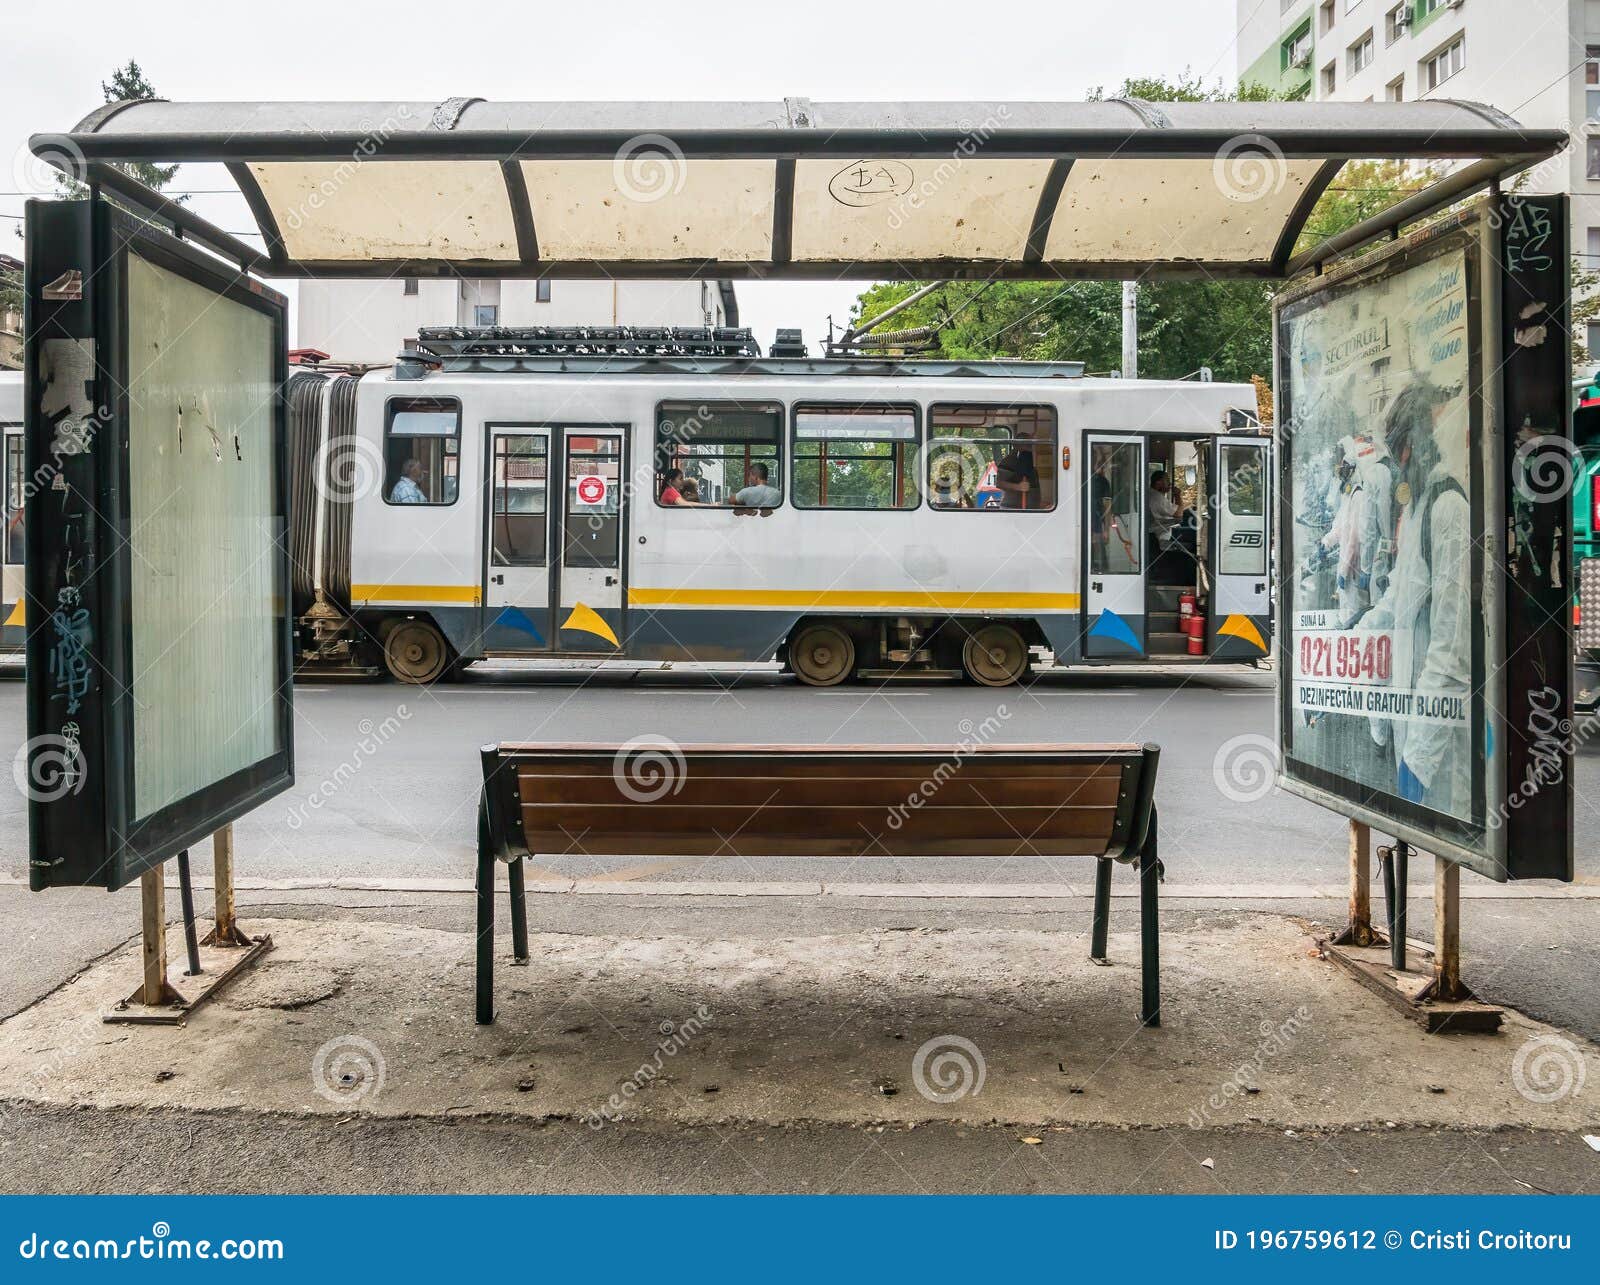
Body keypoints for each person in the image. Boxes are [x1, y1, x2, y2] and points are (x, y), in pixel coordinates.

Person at [1363, 378, 1471, 817]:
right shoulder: (1419, 505)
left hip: (1437, 754)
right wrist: (1349, 639)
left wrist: (1419, 760)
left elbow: (1452, 646)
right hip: (1409, 725)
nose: (1398, 460)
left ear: (1419, 443)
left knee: (1444, 856)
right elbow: (1397, 601)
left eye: (1402, 447)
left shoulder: (1448, 509)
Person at [1146, 470, 1181, 557]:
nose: (1170, 483)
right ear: (1158, 483)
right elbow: (1178, 513)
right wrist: (1177, 495)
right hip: (1160, 537)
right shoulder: (1157, 497)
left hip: (1159, 533)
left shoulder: (1152, 494)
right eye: (1167, 480)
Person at [995, 443, 1039, 509]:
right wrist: (1018, 487)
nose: (1030, 447)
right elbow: (999, 483)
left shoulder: (1032, 460)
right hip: (1012, 508)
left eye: (1030, 445)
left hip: (1031, 508)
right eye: (1027, 445)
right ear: (1016, 445)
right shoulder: (1009, 461)